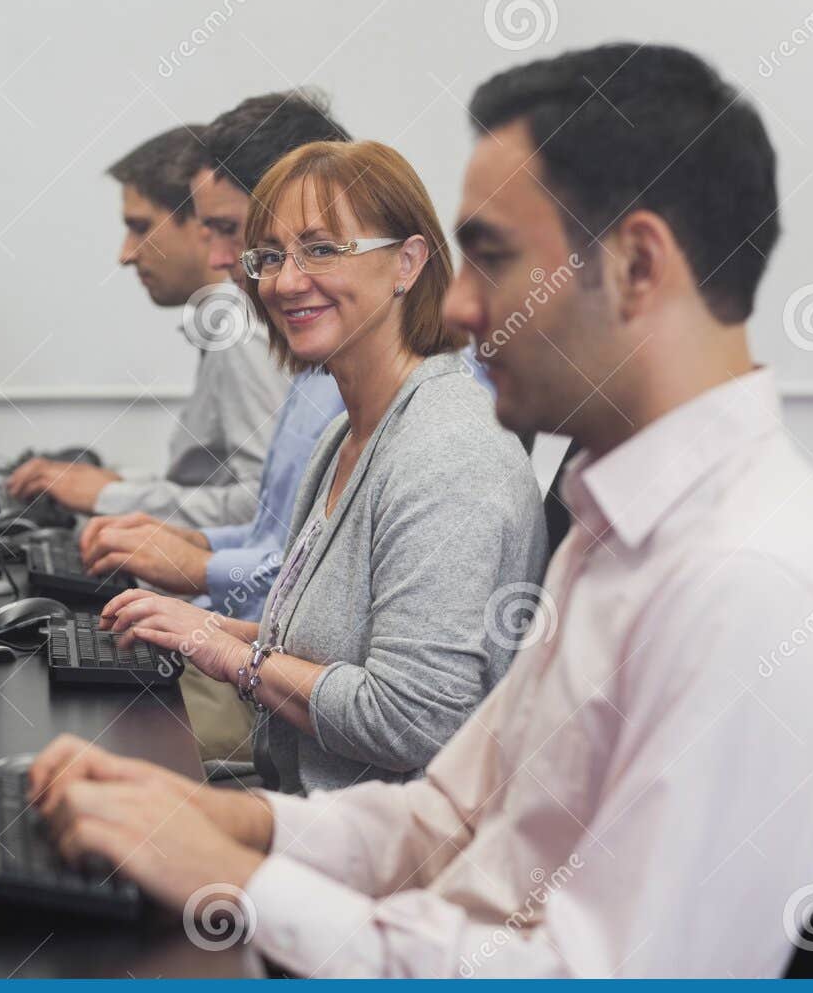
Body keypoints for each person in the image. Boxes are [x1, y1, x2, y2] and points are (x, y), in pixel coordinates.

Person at [29, 44, 813, 977]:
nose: (463, 306)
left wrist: (238, 882)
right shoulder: (618, 525)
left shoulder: (750, 580)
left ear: (636, 265)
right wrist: (231, 819)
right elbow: (453, 813)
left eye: (494, 258)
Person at [99, 138, 547, 795]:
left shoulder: (448, 451)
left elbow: (409, 719)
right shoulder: (347, 431)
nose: (283, 281)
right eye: (272, 256)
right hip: (309, 802)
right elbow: (321, 644)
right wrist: (206, 629)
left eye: (321, 249)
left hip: (390, 854)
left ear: (408, 262)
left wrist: (234, 654)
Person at [79, 91, 350, 620]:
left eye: (227, 230)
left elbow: (325, 581)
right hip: (258, 640)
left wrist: (195, 563)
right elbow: (279, 533)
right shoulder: (311, 359)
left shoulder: (264, 333)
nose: (221, 258)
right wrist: (190, 541)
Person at [4, 126, 288, 527]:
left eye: (141, 228)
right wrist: (117, 484)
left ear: (200, 225)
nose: (125, 255)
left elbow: (263, 505)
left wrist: (108, 496)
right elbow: (215, 482)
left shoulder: (240, 331)